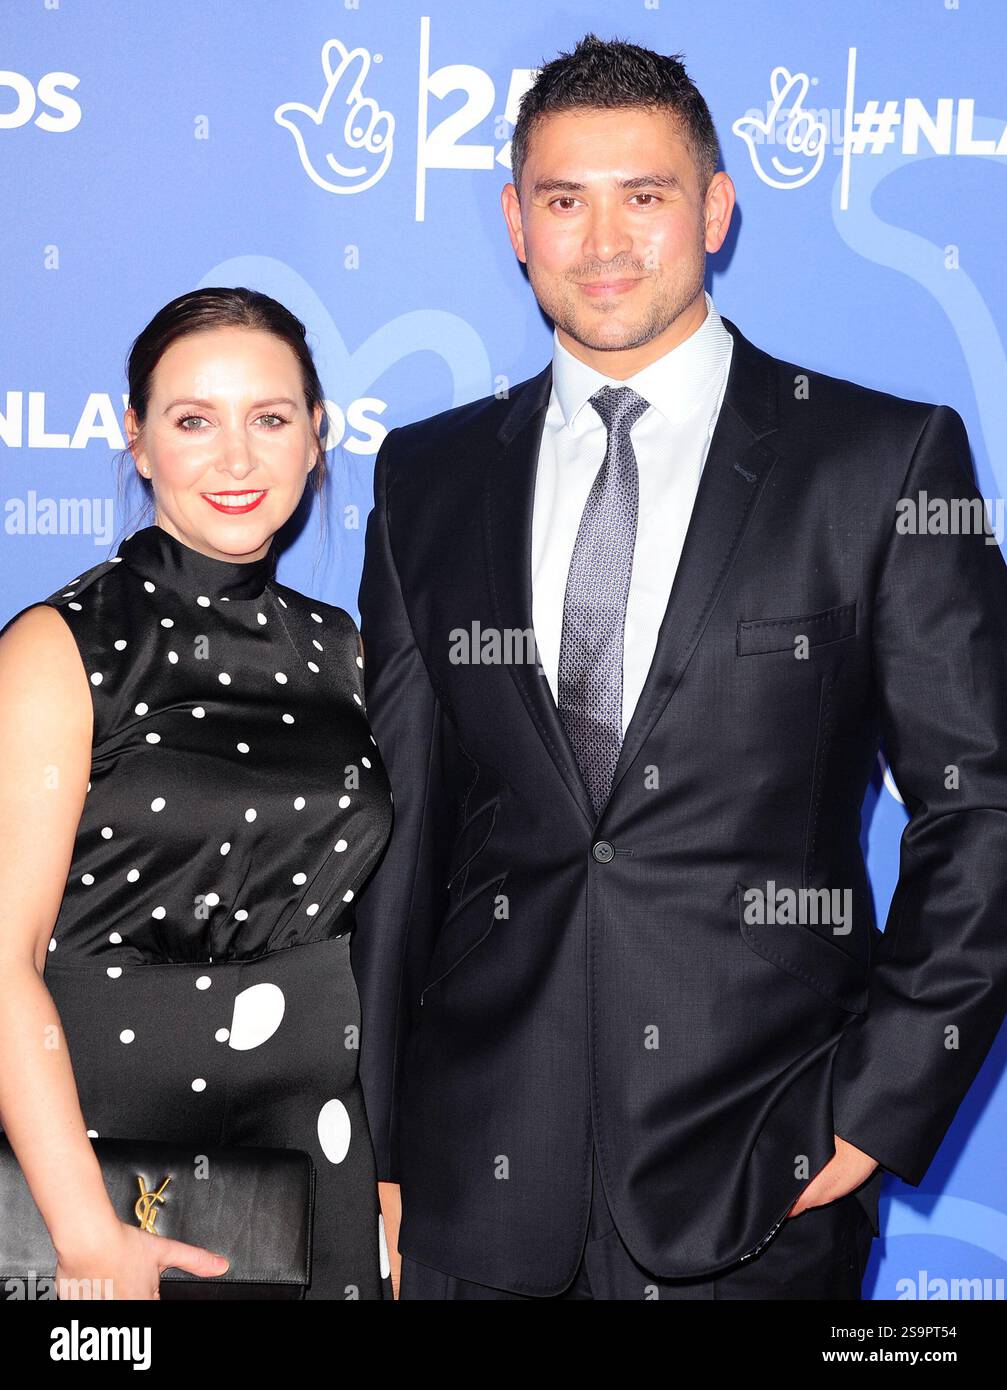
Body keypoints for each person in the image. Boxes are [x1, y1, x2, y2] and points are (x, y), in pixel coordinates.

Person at [352, 34, 1007, 1300]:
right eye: (562, 199)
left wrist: (872, 1109)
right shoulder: (427, 478)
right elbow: (405, 824)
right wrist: (374, 1137)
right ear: (514, 223)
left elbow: (980, 807)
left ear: (713, 209)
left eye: (642, 196)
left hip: (760, 1181)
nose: (602, 242)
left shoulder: (879, 461)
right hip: (467, 1190)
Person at [0, 287, 393, 1300]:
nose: (235, 460)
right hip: (99, 1175)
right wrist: (85, 1229)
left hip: (320, 1160)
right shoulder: (62, 646)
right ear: (137, 442)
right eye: (192, 421)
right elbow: (4, 958)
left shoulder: (348, 652)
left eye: (269, 419)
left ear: (317, 438)